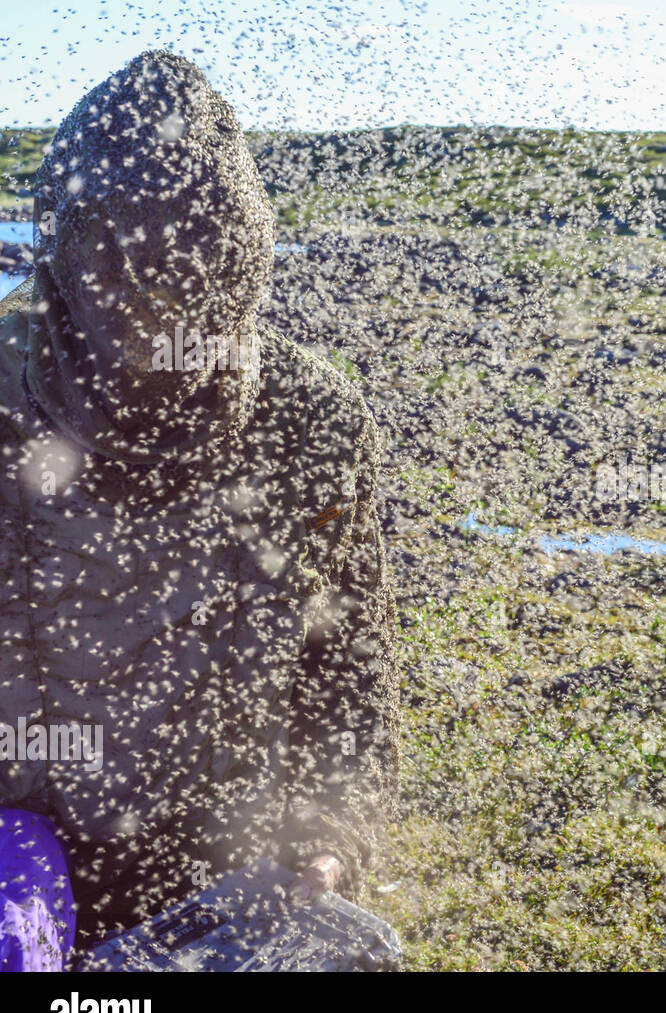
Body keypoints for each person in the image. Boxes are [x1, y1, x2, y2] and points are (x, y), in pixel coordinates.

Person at [0, 51, 399, 964]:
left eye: (197, 253)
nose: (154, 296)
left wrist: (329, 832)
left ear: (246, 253)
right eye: (116, 253)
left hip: (227, 859)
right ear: (62, 243)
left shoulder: (309, 419)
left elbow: (351, 657)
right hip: (23, 856)